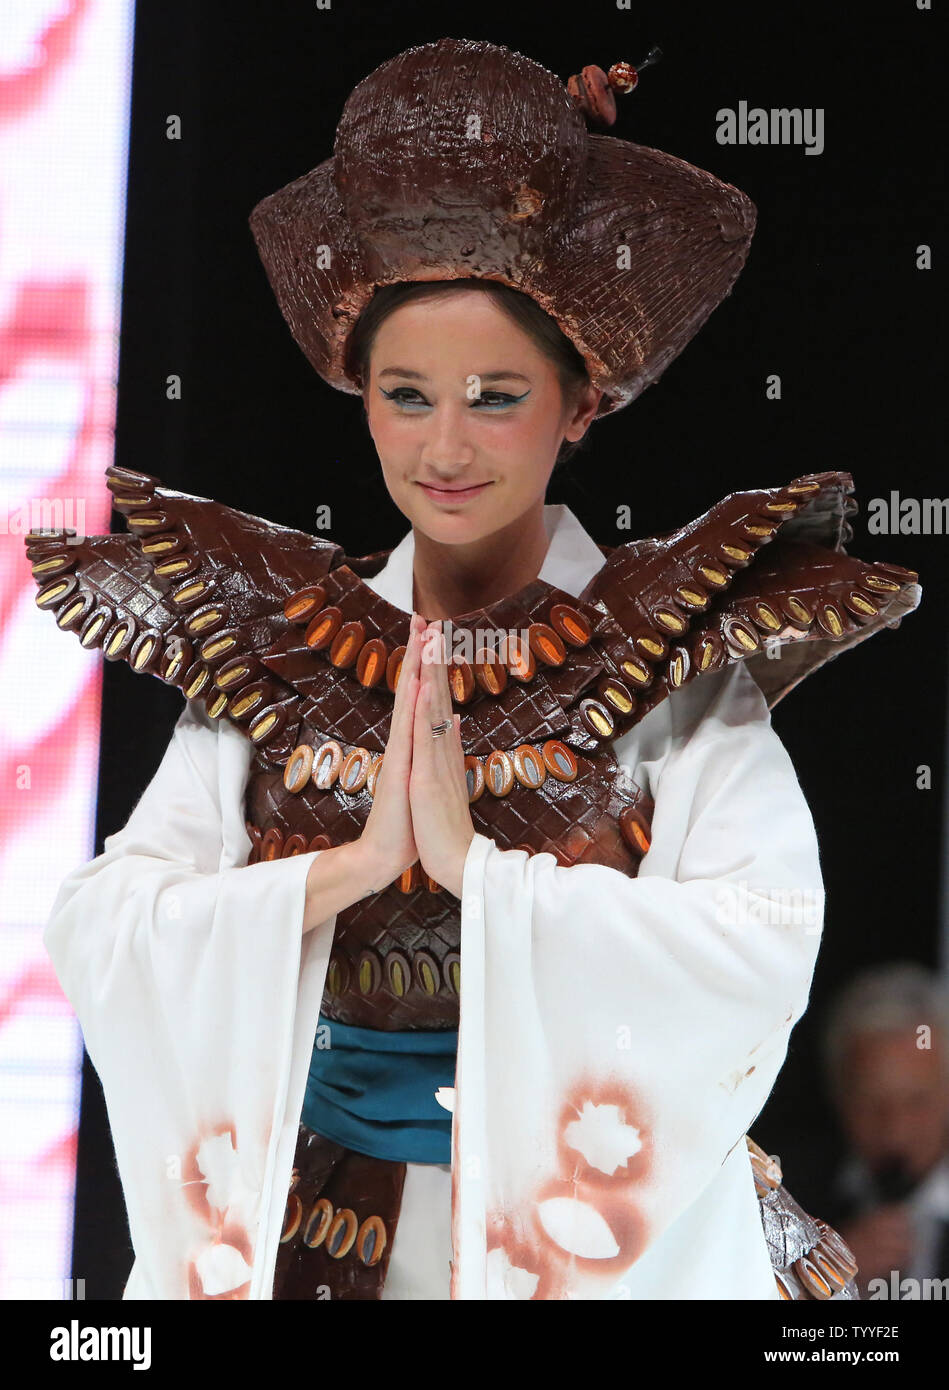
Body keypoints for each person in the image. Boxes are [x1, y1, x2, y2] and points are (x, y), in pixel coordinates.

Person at [26, 38, 920, 1300]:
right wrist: (340, 870)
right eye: (406, 394)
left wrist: (474, 876)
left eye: (496, 396)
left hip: (604, 1241)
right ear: (364, 401)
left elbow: (757, 944)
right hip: (318, 1231)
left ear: (581, 405)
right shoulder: (275, 648)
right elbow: (104, 923)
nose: (445, 446)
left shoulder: (666, 651)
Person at [817, 964, 949, 1298]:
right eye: (871, 1104)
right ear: (839, 1097)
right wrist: (822, 1282)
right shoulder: (790, 1193)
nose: (895, 1130)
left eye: (917, 1101)